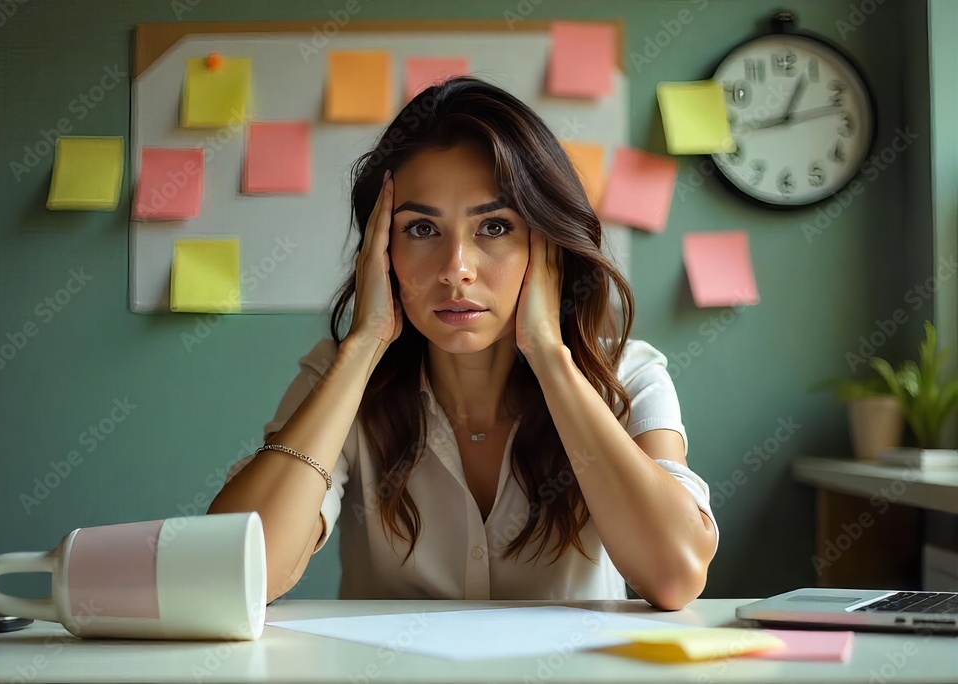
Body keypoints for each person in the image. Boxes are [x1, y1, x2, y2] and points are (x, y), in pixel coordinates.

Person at [208, 77, 718, 610]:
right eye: (421, 230)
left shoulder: (627, 373)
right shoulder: (337, 378)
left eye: (494, 227)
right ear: (381, 253)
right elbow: (233, 575)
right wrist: (362, 346)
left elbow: (675, 575)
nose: (456, 272)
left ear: (548, 246)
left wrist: (548, 356)